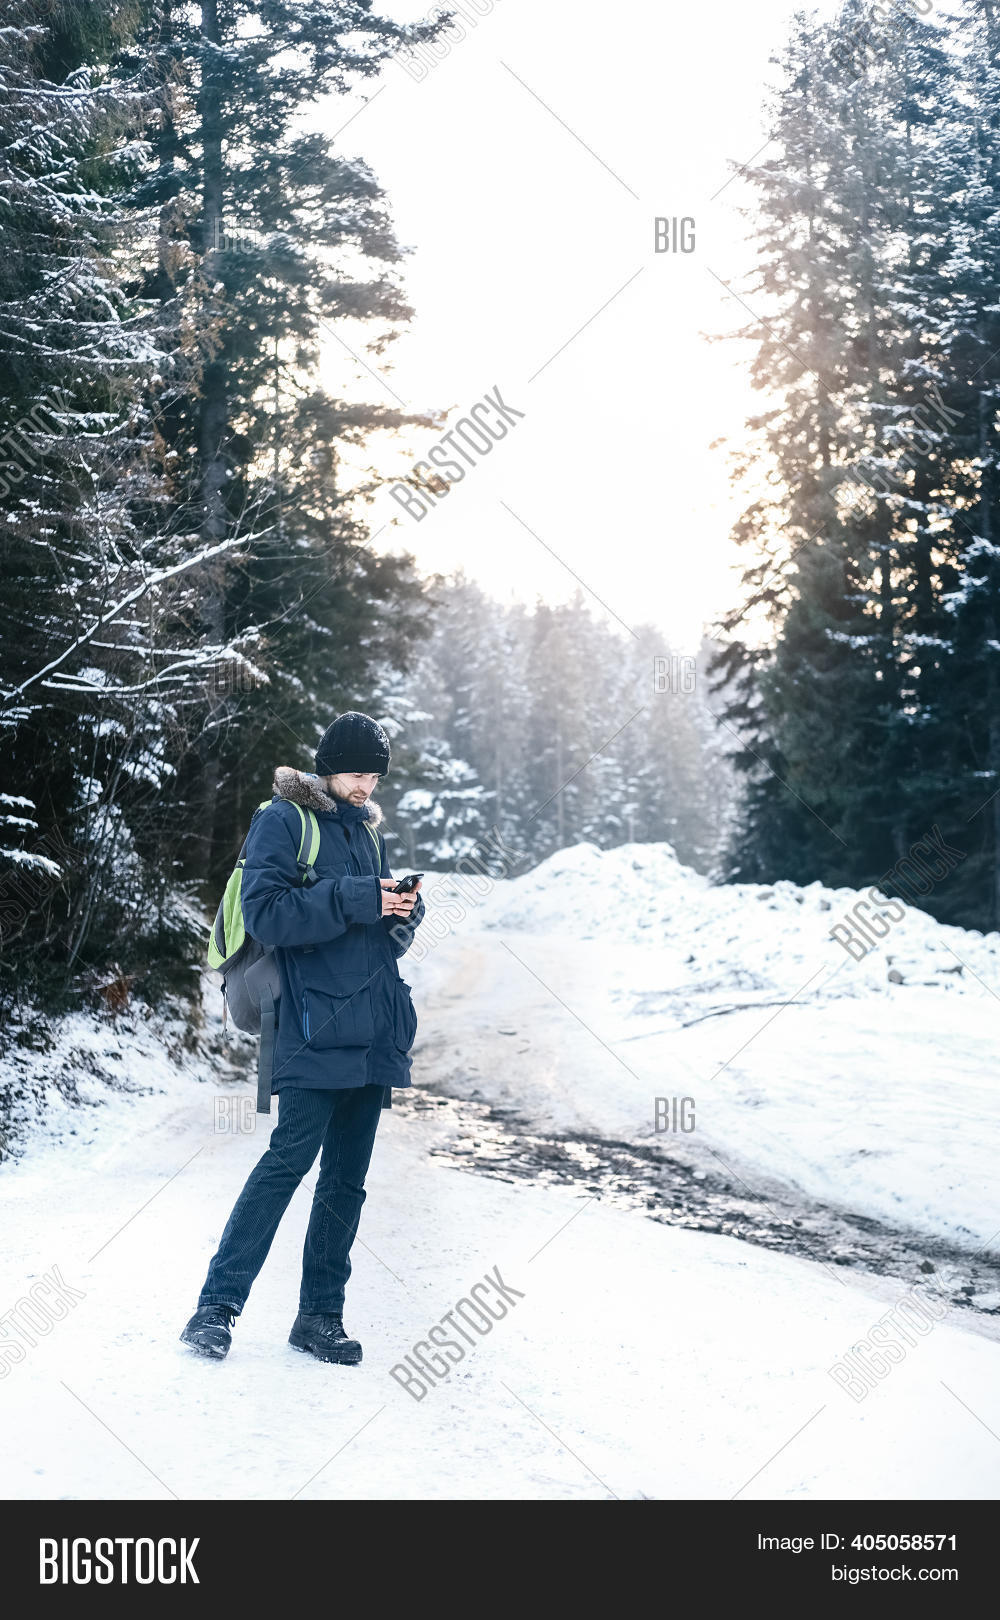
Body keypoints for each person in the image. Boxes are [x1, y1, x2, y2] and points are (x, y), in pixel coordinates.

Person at [180, 711, 423, 1364]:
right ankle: (215, 1308)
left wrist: (401, 912)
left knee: (347, 1182)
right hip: (309, 1026)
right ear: (326, 768)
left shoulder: (368, 837)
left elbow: (379, 934)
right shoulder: (284, 820)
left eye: (374, 775)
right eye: (356, 772)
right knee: (286, 1165)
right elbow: (268, 914)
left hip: (372, 1031)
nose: (365, 786)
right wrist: (354, 899)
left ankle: (320, 1317)